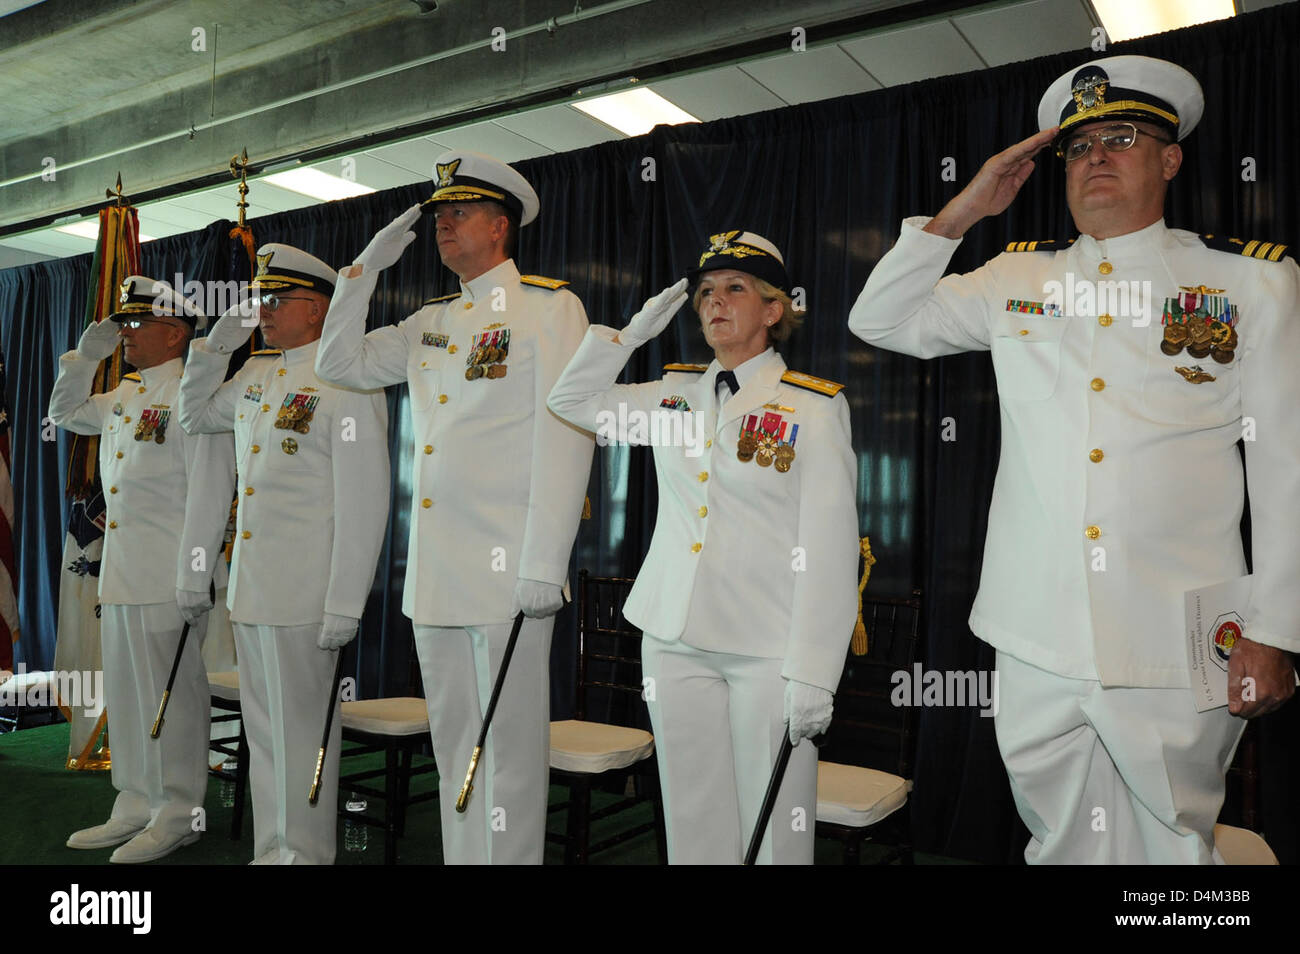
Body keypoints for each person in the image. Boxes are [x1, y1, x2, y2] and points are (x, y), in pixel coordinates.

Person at [848, 54, 1300, 863]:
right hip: (1034, 630)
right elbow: (880, 320)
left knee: (1174, 840)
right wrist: (960, 214)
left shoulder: (1248, 283)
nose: (1095, 156)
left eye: (1121, 137)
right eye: (1078, 144)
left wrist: (1276, 629)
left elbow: (1285, 467)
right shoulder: (1015, 275)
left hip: (1176, 632)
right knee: (1058, 839)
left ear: (1169, 159)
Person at [315, 151, 593, 865]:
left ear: (500, 227)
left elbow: (567, 434)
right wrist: (362, 275)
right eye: (440, 214)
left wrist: (544, 562)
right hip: (436, 577)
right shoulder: (427, 321)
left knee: (511, 749)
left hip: (510, 574)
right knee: (456, 750)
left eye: (458, 212)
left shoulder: (549, 308)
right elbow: (337, 365)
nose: (443, 224)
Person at [548, 231, 860, 863]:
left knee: (774, 822)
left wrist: (815, 672)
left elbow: (829, 547)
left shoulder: (813, 407)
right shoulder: (672, 395)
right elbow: (571, 401)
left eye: (735, 289)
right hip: (673, 634)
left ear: (774, 309)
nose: (715, 302)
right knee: (691, 808)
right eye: (706, 292)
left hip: (767, 646)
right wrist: (627, 337)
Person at [176, 245, 390, 864]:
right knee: (265, 737)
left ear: (319, 310)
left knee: (302, 736)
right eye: (262, 299)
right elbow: (194, 417)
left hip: (306, 593)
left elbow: (365, 498)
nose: (263, 311)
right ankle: (274, 850)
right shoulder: (255, 374)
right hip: (253, 590)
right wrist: (215, 348)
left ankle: (304, 855)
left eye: (278, 300)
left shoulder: (346, 378)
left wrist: (346, 600)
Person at [49, 276, 234, 863]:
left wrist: (195, 574)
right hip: (123, 575)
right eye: (123, 324)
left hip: (171, 578)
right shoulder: (126, 395)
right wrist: (87, 354)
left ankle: (180, 813)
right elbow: (66, 412)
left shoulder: (193, 395)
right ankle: (133, 802)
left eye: (136, 325)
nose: (125, 334)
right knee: (129, 697)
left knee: (172, 700)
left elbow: (210, 493)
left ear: (176, 333)